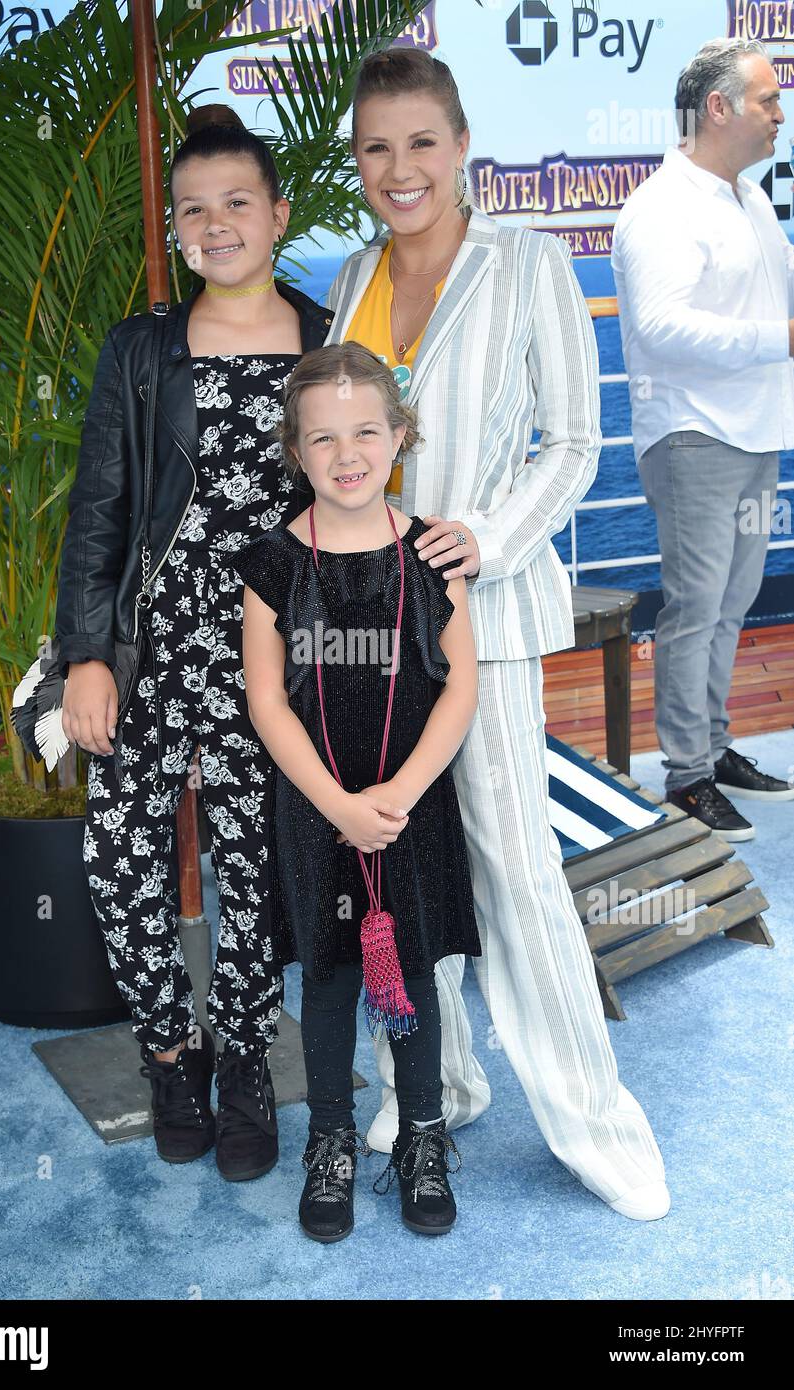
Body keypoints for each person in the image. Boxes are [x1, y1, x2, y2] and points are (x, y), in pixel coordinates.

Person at [325, 46, 671, 1220]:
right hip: (371, 633)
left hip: (491, 617)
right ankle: (441, 1083)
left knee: (517, 870)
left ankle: (597, 1126)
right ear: (358, 160)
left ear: (464, 145)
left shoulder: (530, 265)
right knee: (400, 866)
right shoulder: (354, 278)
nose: (400, 167)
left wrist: (490, 534)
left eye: (422, 141)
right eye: (377, 146)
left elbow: (576, 443)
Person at [54, 104, 333, 1181]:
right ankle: (171, 1053)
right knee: (122, 857)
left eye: (237, 205)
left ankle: (249, 1060)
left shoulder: (322, 341)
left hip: (273, 654)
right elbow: (101, 508)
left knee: (251, 869)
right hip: (148, 646)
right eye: (194, 211)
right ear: (175, 228)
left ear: (278, 213)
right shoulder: (142, 348)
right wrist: (86, 652)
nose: (217, 226)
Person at [234, 342, 481, 1241]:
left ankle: (422, 1135)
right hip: (313, 812)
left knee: (409, 971)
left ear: (399, 435)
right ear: (295, 453)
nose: (346, 453)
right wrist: (338, 807)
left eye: (366, 431)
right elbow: (266, 698)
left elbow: (459, 684)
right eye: (322, 437)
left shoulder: (433, 554)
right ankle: (330, 1139)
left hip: (408, 811)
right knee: (330, 979)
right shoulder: (271, 564)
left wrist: (401, 794)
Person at [612, 37, 794, 839]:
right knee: (694, 609)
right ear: (716, 108)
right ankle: (685, 777)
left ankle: (713, 751)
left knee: (730, 604)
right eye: (767, 100)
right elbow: (658, 327)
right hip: (692, 435)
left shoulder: (748, 201)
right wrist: (778, 338)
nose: (779, 115)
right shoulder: (659, 206)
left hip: (753, 430)